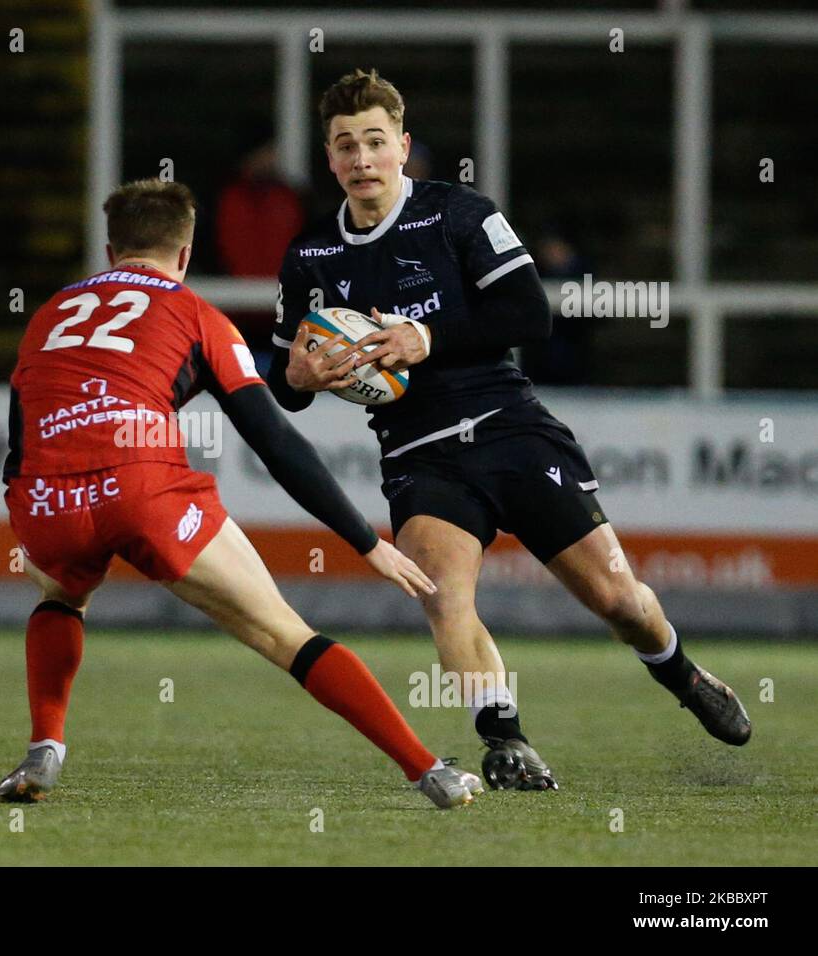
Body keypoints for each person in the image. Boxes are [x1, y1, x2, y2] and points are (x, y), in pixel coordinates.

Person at [266, 69, 750, 790]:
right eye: (344, 146)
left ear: (402, 147)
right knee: (443, 595)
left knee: (618, 601)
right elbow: (287, 384)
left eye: (374, 141)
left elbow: (529, 315)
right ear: (330, 159)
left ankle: (682, 674)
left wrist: (424, 337)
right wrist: (296, 379)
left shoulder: (459, 213)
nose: (361, 159)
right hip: (418, 452)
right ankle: (505, 739)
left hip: (510, 426)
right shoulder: (311, 258)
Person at [0, 177, 484, 809]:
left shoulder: (51, 312)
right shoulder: (198, 315)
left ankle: (45, 745)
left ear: (111, 252)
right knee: (284, 633)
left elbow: (19, 430)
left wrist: (31, 509)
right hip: (145, 487)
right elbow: (274, 440)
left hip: (45, 498)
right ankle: (428, 771)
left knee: (60, 591)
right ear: (186, 255)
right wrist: (366, 542)